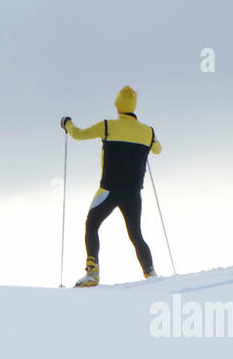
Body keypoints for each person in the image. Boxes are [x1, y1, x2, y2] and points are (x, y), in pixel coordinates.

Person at [60, 85, 161, 287]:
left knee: (92, 225)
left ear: (118, 106)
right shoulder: (148, 132)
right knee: (136, 234)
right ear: (133, 107)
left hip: (109, 189)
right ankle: (151, 274)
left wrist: (67, 124)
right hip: (133, 193)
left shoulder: (107, 126)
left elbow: (78, 134)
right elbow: (157, 149)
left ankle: (92, 272)